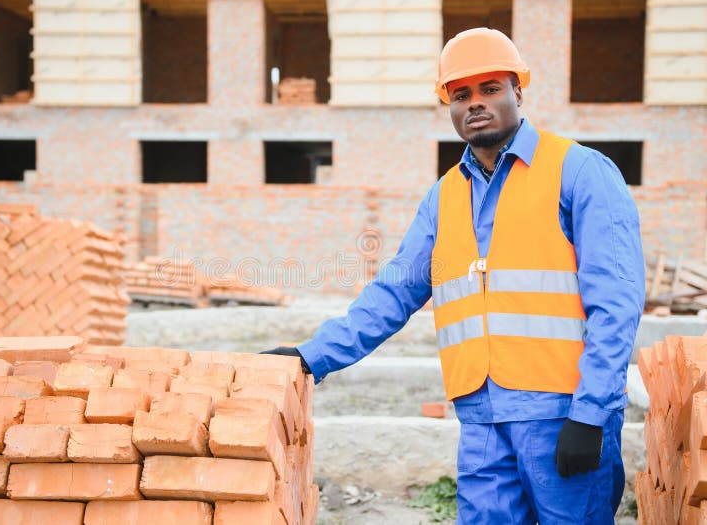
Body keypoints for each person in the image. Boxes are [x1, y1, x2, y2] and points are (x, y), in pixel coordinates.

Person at [263, 27, 645, 524]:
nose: (475, 103)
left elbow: (615, 303)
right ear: (448, 105)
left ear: (517, 92)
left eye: (490, 89)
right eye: (461, 94)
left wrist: (591, 415)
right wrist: (311, 356)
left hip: (562, 414)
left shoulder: (579, 172)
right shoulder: (444, 197)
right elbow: (394, 293)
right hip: (482, 419)